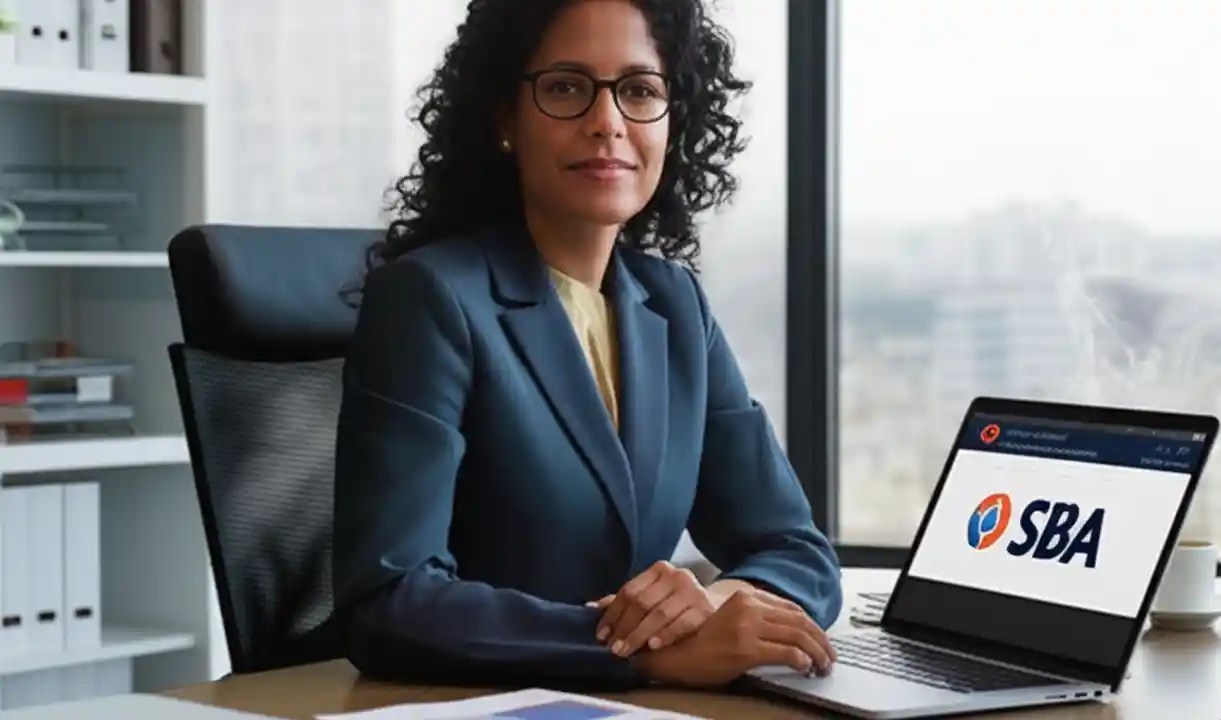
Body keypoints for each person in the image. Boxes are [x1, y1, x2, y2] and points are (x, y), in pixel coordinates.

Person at [333, 0, 842, 689]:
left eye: (640, 90)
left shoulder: (676, 305)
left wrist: (716, 605)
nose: (608, 121)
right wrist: (635, 652)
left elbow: (799, 552)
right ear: (505, 117)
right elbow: (389, 599)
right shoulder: (430, 298)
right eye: (567, 87)